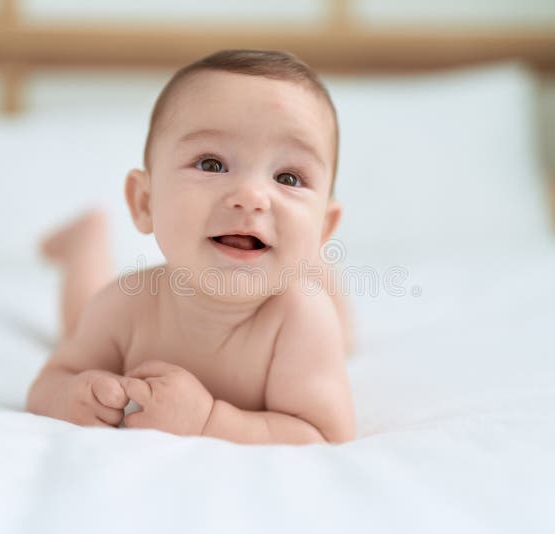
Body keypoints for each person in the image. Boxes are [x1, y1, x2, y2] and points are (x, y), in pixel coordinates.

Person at [26, 49, 355, 445]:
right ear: (145, 202)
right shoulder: (124, 306)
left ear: (323, 228)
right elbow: (51, 381)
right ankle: (86, 240)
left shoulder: (303, 320)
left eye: (288, 177)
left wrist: (210, 421)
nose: (251, 196)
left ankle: (315, 265)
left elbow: (323, 434)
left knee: (343, 335)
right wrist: (68, 396)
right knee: (78, 320)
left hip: (308, 302)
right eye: (211, 164)